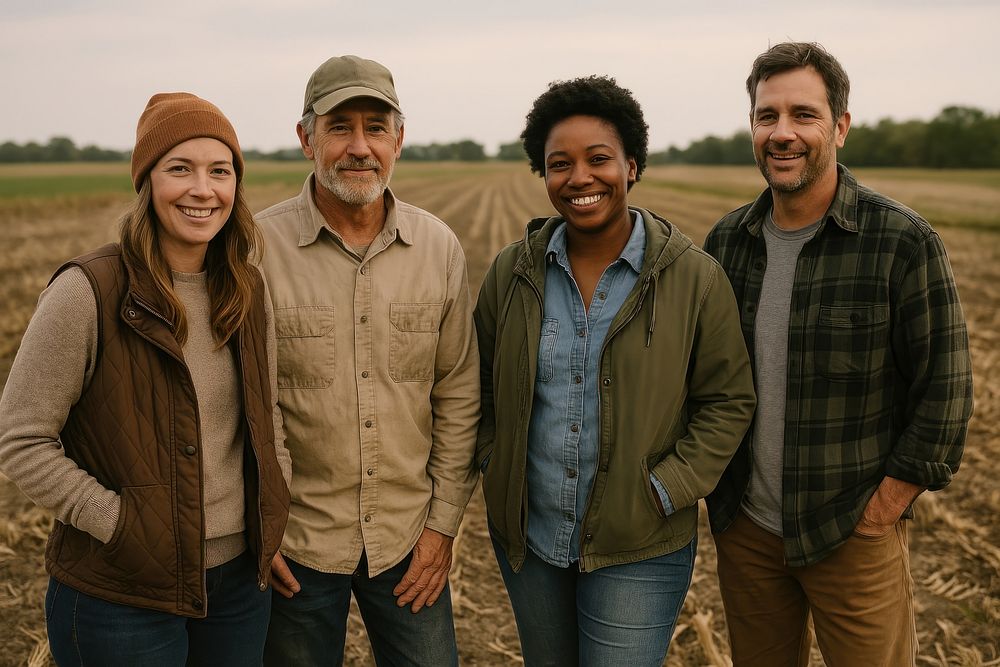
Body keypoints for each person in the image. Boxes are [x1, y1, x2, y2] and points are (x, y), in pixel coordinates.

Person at [704, 41, 975, 666]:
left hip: (850, 530)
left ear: (840, 127)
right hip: (748, 531)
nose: (783, 133)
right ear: (752, 125)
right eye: (767, 116)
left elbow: (946, 389)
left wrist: (883, 510)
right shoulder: (728, 242)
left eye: (804, 114)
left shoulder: (899, 240)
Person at [0, 92, 291, 665]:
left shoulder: (247, 289)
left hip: (236, 586)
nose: (202, 189)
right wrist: (122, 527)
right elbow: (21, 439)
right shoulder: (89, 290)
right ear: (147, 182)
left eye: (220, 170)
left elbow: (266, 415)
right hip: (120, 591)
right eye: (179, 168)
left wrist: (266, 525)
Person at [474, 75, 756, 666]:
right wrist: (495, 464)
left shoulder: (694, 277)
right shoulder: (512, 273)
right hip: (531, 539)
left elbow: (728, 400)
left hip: (641, 544)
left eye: (598, 159)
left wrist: (666, 489)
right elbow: (481, 386)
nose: (580, 178)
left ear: (632, 165)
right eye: (559, 164)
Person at [255, 55, 479, 666]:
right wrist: (260, 524)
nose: (360, 147)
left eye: (376, 128)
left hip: (408, 540)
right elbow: (241, 401)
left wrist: (442, 528)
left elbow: (458, 394)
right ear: (306, 139)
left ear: (399, 140)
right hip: (296, 547)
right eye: (339, 127)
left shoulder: (438, 246)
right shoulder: (255, 248)